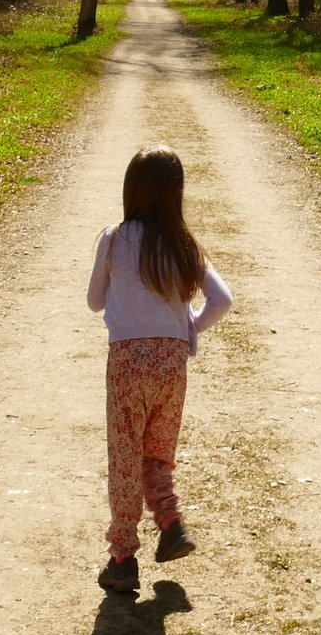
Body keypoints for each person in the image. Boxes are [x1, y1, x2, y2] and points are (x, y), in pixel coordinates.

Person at [85, 146, 232, 596]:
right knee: (157, 451)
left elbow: (93, 301)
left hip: (127, 360)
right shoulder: (182, 243)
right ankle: (170, 525)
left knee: (124, 456)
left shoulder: (113, 238)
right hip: (171, 362)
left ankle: (123, 558)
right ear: (176, 194)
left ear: (132, 190)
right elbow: (222, 300)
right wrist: (188, 329)